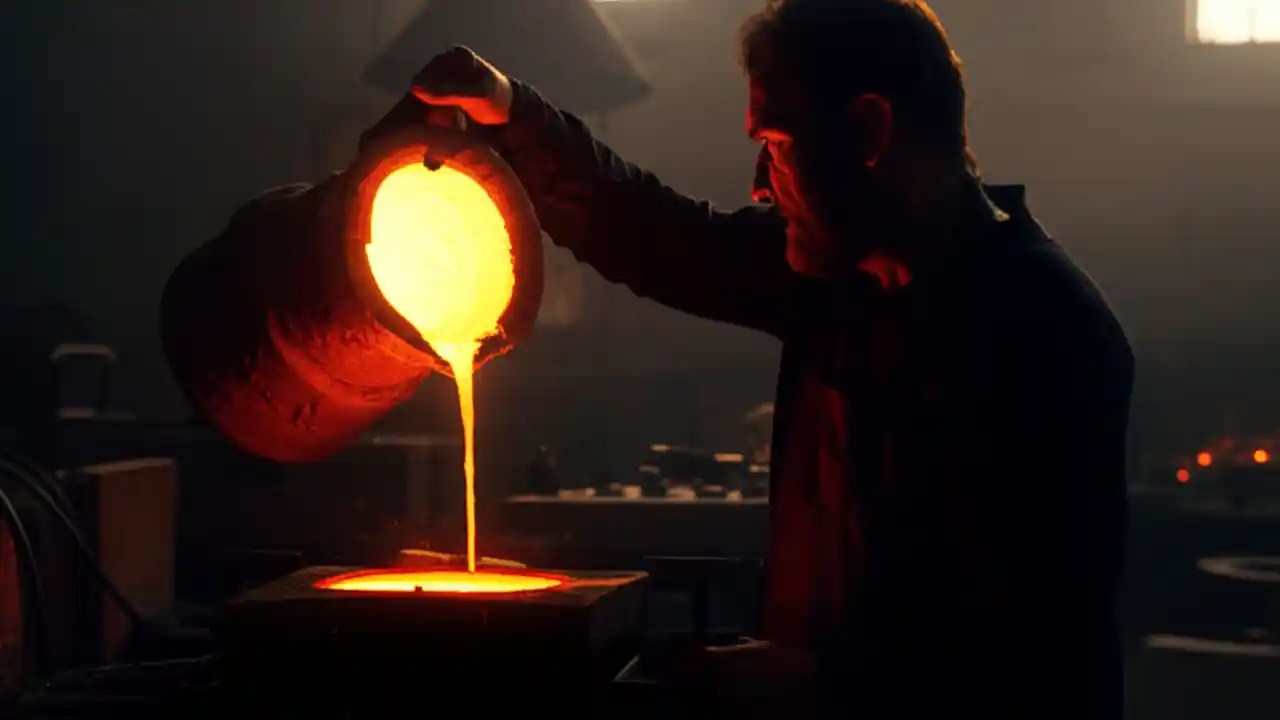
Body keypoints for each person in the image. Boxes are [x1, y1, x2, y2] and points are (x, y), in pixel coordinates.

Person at [218, 1, 1134, 715]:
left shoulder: (1046, 335)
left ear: (867, 133)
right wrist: (513, 117)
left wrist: (813, 685)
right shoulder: (842, 283)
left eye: (775, 144)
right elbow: (667, 238)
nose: (757, 181)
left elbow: (1034, 665)